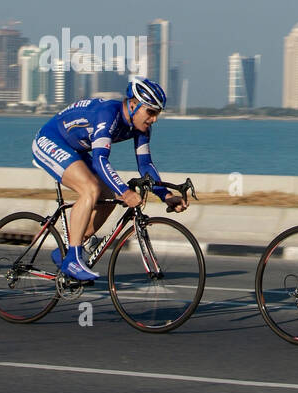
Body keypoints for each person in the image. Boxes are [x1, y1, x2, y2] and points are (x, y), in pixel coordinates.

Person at [31, 77, 187, 281]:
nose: (154, 119)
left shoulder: (141, 128)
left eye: (157, 113)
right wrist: (125, 191)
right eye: (151, 112)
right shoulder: (108, 115)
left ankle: (68, 250)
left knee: (110, 197)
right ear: (133, 105)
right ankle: (73, 259)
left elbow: (145, 164)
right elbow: (99, 160)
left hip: (75, 148)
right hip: (51, 140)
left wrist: (165, 195)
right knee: (90, 190)